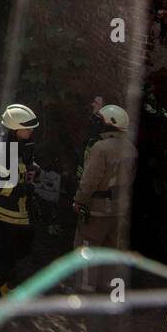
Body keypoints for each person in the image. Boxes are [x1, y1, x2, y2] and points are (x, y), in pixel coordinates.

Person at [72, 104, 137, 291]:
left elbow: (90, 180)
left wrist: (79, 200)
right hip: (119, 210)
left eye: (100, 121)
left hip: (97, 210)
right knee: (111, 250)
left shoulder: (101, 148)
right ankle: (109, 289)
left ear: (110, 123)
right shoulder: (131, 149)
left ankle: (85, 289)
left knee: (86, 248)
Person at [0, 104, 41, 296]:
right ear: (15, 129)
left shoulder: (19, 143)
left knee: (12, 248)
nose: (31, 131)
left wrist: (34, 168)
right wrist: (25, 188)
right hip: (8, 212)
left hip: (18, 211)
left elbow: (23, 164)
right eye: (28, 129)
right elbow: (1, 185)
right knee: (9, 251)